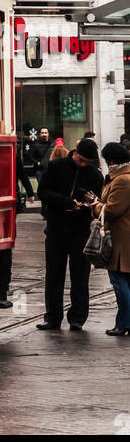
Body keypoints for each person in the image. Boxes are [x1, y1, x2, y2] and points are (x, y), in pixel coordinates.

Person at [36, 137, 103, 332]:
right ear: (74, 152)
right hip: (56, 229)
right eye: (81, 159)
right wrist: (66, 202)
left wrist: (84, 207)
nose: (83, 164)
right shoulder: (56, 166)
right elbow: (43, 191)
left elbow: (98, 202)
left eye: (87, 162)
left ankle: (77, 318)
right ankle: (52, 318)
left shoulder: (94, 175)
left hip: (80, 231)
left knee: (80, 276)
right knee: (54, 275)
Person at [85, 143, 130, 335]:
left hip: (121, 239)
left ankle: (124, 323)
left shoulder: (122, 180)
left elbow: (112, 210)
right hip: (123, 237)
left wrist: (94, 205)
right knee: (124, 281)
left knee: (119, 280)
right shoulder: (121, 177)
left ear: (111, 161)